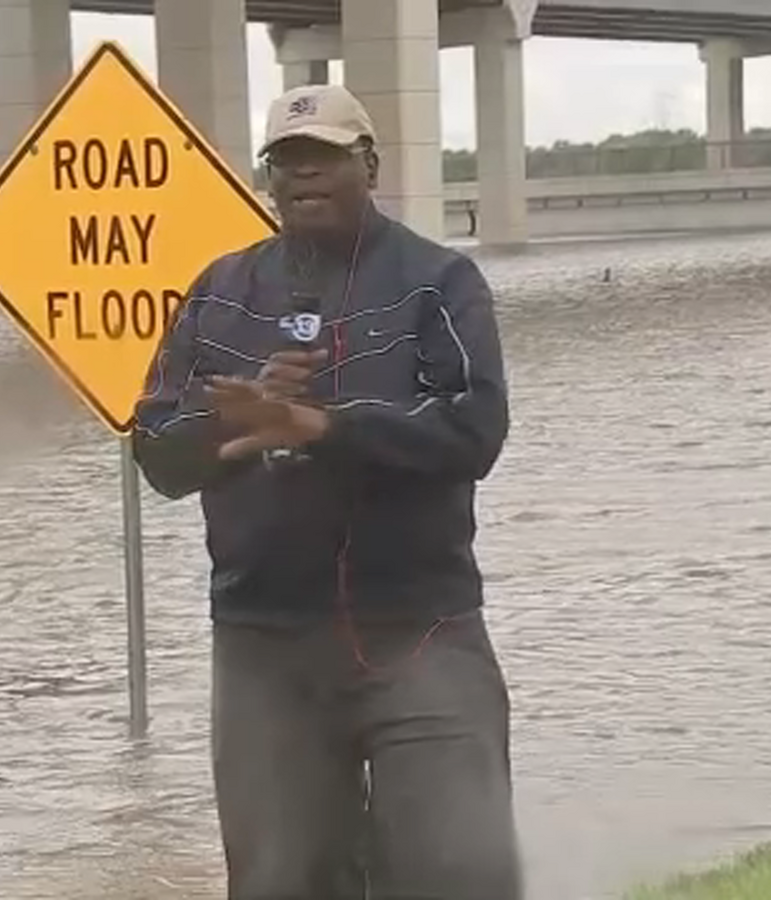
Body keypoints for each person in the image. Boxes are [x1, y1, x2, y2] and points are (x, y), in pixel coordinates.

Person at [132, 82, 519, 900]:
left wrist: (324, 426)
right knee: (283, 882)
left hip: (420, 631)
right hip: (265, 646)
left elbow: (474, 430)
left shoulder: (439, 283)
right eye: (287, 163)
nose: (304, 177)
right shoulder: (219, 293)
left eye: (326, 158)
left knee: (460, 873)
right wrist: (234, 419)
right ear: (270, 179)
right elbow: (159, 452)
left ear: (369, 164)